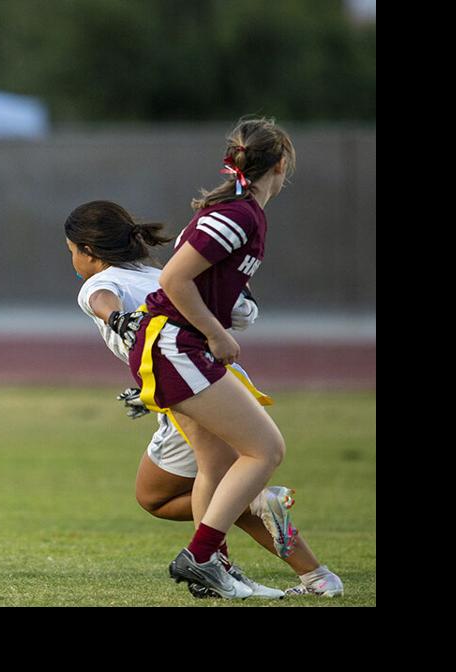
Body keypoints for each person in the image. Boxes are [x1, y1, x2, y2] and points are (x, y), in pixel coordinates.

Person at [66, 200, 343, 598]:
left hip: (193, 388)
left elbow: (101, 297)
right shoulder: (163, 276)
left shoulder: (99, 281)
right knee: (170, 494)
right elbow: (241, 315)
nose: (73, 261)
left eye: (72, 251)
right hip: (219, 383)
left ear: (89, 251)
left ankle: (242, 553)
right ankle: (314, 575)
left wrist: (116, 318)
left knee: (198, 491)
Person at [123, 117, 308, 599]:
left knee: (216, 463)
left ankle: (216, 568)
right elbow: (173, 279)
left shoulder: (241, 212)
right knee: (266, 450)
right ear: (281, 164)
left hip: (177, 342)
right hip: (176, 343)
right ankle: (202, 556)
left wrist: (227, 308)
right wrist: (215, 331)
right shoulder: (238, 215)